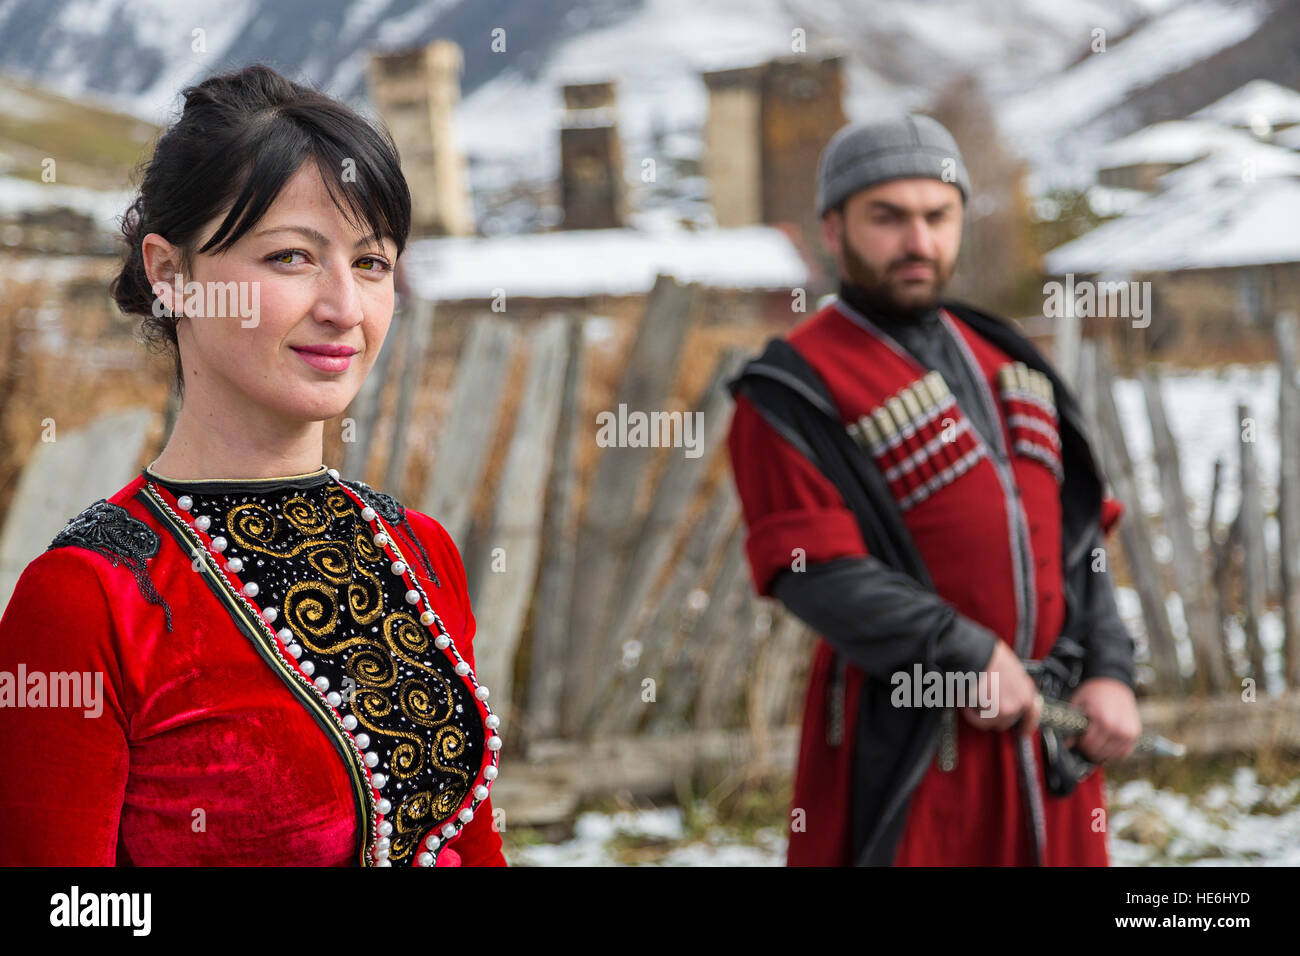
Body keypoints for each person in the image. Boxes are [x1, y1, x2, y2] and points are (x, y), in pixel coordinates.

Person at [0, 64, 505, 867]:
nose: (344, 308)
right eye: (293, 258)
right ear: (171, 275)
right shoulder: (88, 598)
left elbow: (473, 849)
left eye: (371, 263)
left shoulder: (418, 551)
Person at [726, 114, 1141, 866]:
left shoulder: (1009, 357)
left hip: (1048, 739)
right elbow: (815, 570)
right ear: (834, 229)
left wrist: (1110, 669)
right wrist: (964, 653)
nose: (918, 241)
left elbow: (1081, 538)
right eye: (887, 218)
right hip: (910, 734)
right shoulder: (791, 389)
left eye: (937, 216)